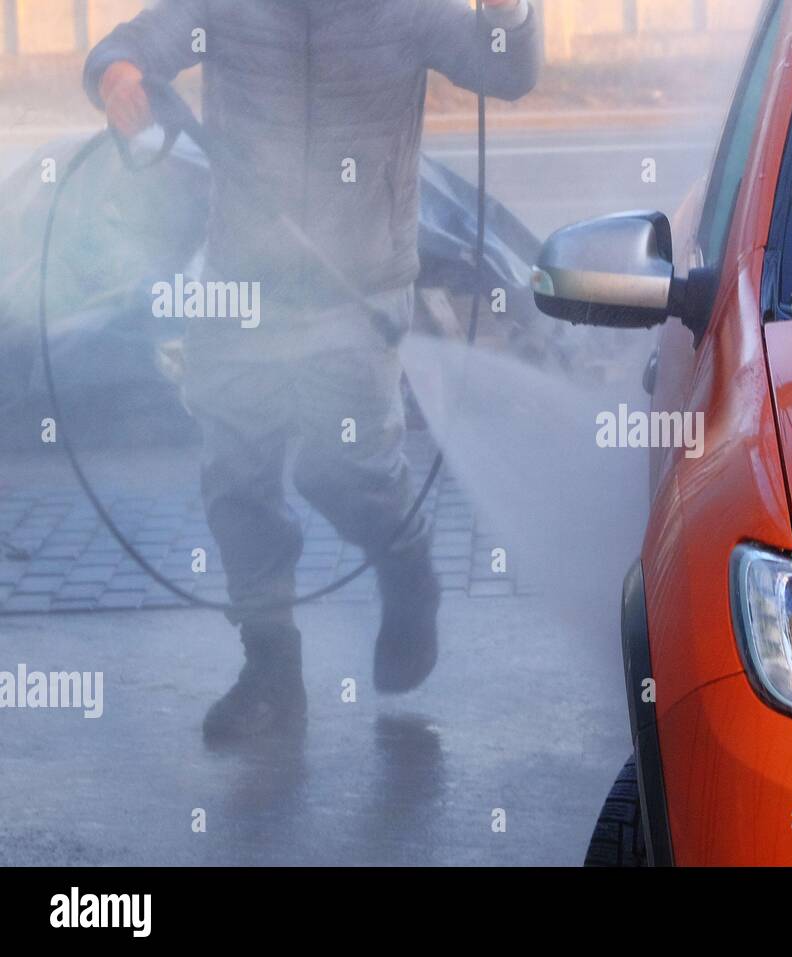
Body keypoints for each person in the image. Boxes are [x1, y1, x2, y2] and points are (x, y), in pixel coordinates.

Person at [83, 0, 541, 745]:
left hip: (355, 286)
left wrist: (511, 11)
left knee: (342, 468)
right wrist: (120, 75)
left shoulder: (408, 9)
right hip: (243, 284)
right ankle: (271, 674)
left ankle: (407, 561)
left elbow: (507, 69)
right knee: (236, 477)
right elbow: (133, 43)